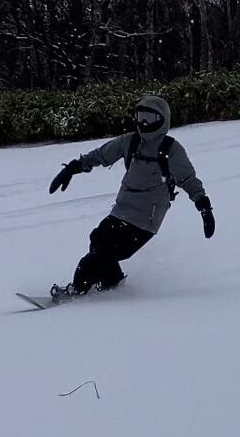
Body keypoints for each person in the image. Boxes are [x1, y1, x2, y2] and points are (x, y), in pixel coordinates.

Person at [48, 94, 215, 296]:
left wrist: (203, 206)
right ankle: (113, 284)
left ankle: (77, 291)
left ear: (162, 121)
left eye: (150, 118)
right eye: (140, 117)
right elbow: (102, 154)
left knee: (102, 254)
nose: (144, 123)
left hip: (146, 219)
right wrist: (74, 168)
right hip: (122, 210)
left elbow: (188, 179)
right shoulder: (131, 142)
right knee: (98, 239)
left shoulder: (171, 149)